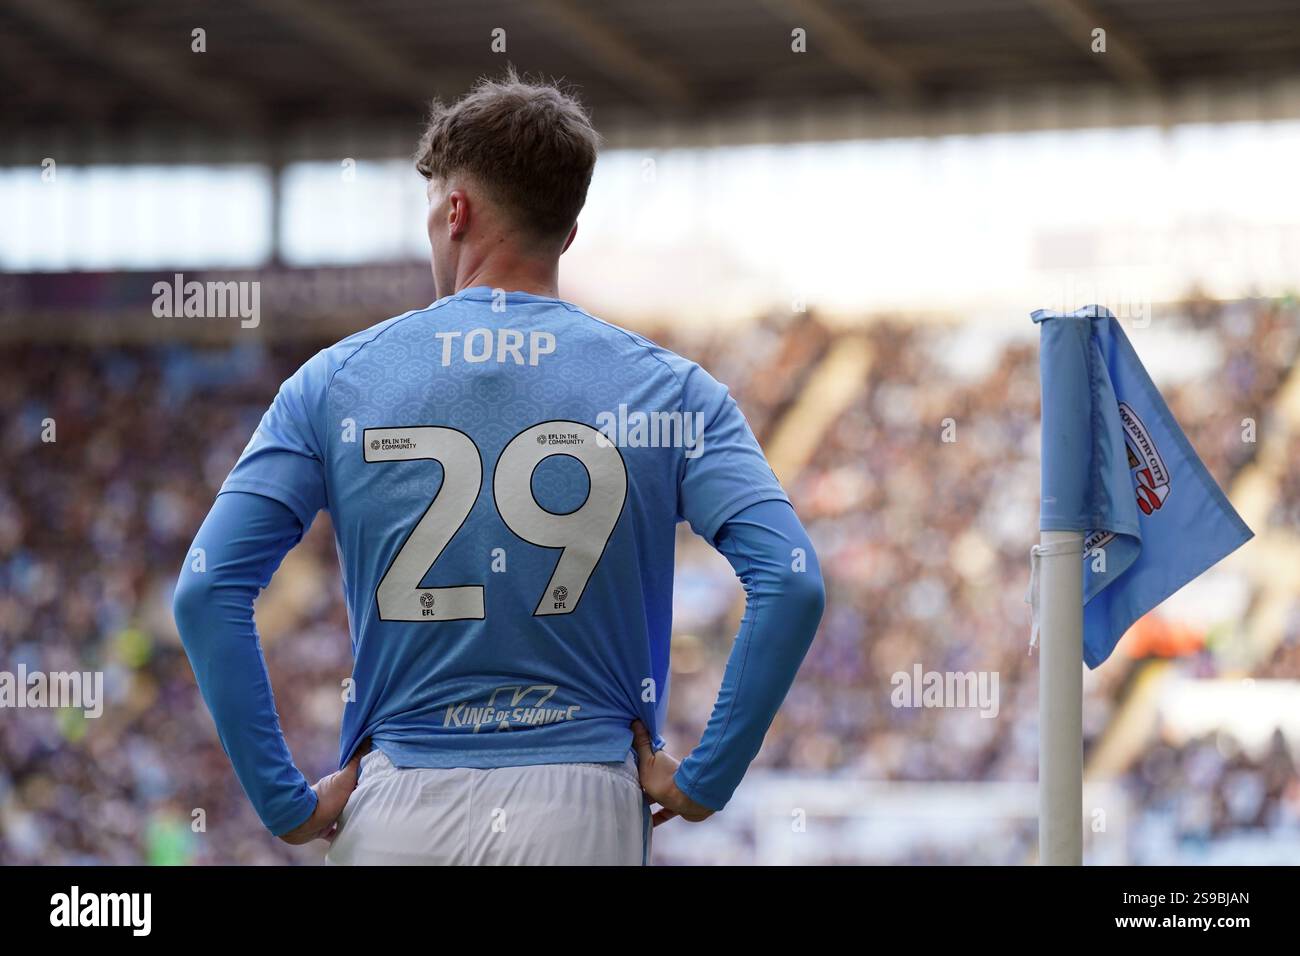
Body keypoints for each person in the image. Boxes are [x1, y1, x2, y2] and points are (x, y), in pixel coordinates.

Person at [172, 71, 824, 865]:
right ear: (567, 231)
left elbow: (208, 590)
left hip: (396, 803)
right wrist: (708, 778)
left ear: (455, 211)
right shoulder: (672, 389)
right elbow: (791, 581)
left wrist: (284, 801)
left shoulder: (334, 380)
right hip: (583, 803)